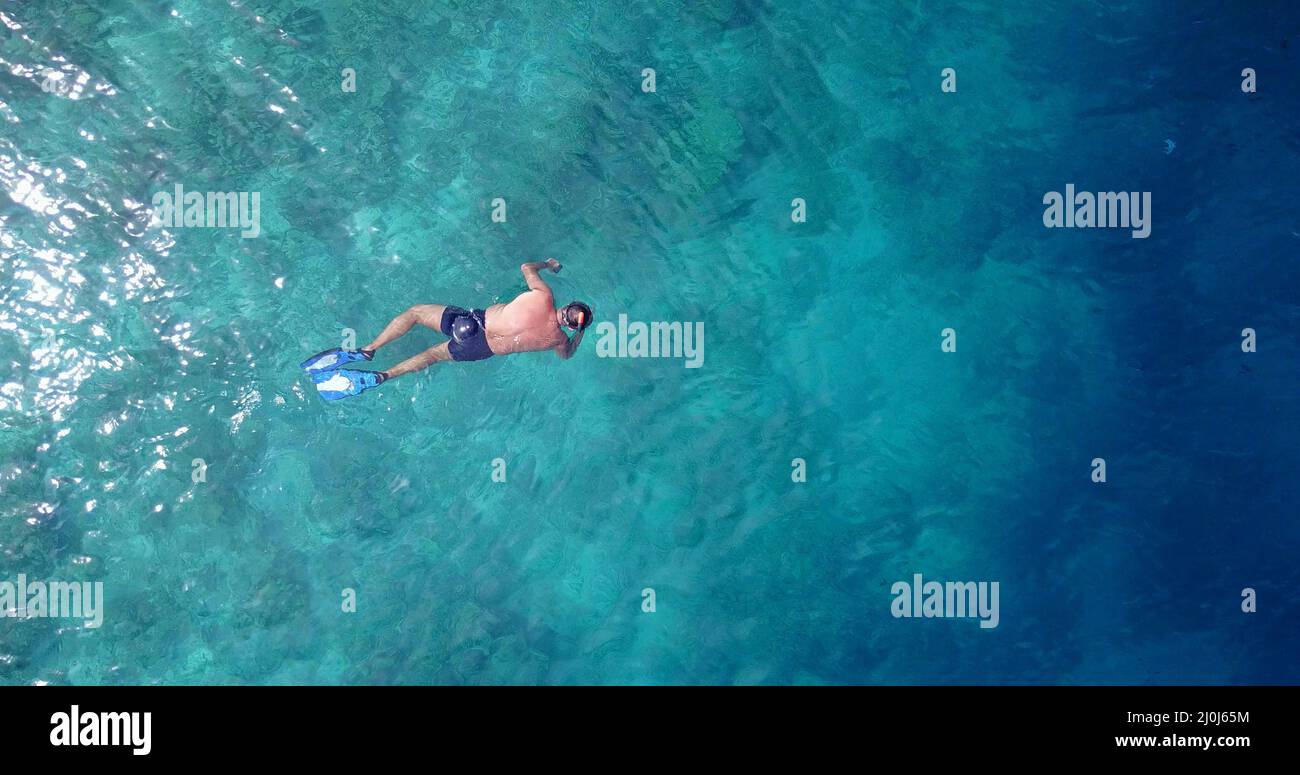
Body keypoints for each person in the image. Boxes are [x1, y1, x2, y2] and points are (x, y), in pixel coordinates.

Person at [301, 258, 592, 400]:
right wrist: (578, 334)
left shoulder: (544, 296)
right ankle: (383, 376)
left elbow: (527, 267)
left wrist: (549, 264)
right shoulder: (557, 339)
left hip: (471, 324)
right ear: (572, 326)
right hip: (479, 349)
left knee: (414, 313)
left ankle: (367, 351)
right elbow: (566, 355)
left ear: (566, 307)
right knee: (430, 356)